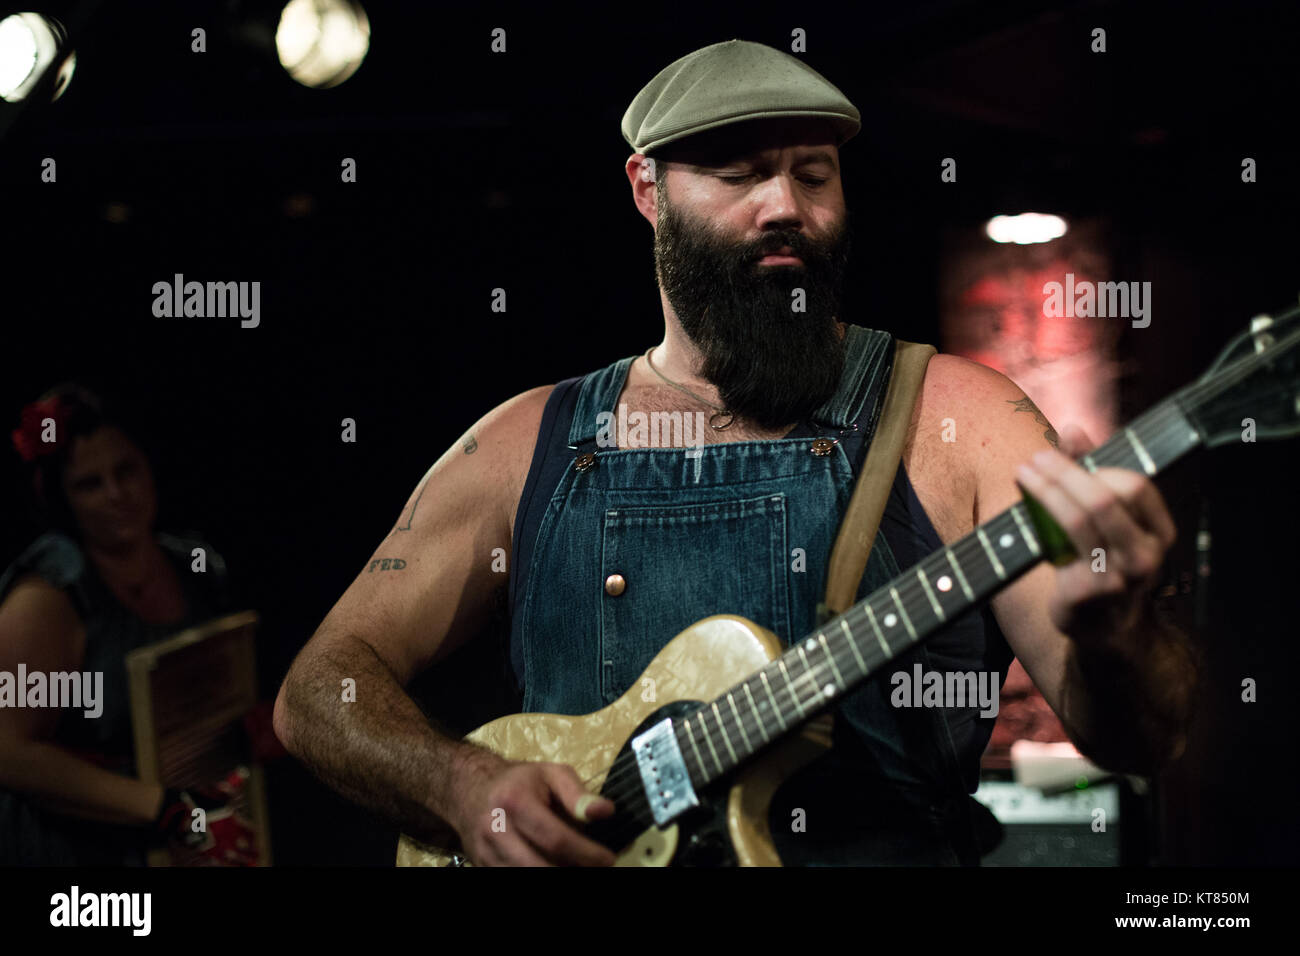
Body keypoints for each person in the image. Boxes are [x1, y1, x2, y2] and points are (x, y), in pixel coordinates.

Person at [273, 40, 1197, 866]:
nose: (784, 207)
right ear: (647, 190)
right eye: (739, 173)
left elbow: (1144, 739)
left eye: (814, 174)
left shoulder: (965, 416)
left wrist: (1116, 638)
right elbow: (319, 688)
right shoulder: (528, 441)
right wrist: (462, 787)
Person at [0, 384, 250, 864]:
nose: (116, 494)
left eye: (125, 470)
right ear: (62, 498)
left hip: (187, 837)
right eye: (90, 484)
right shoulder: (49, 598)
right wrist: (162, 807)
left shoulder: (193, 565)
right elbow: (9, 750)